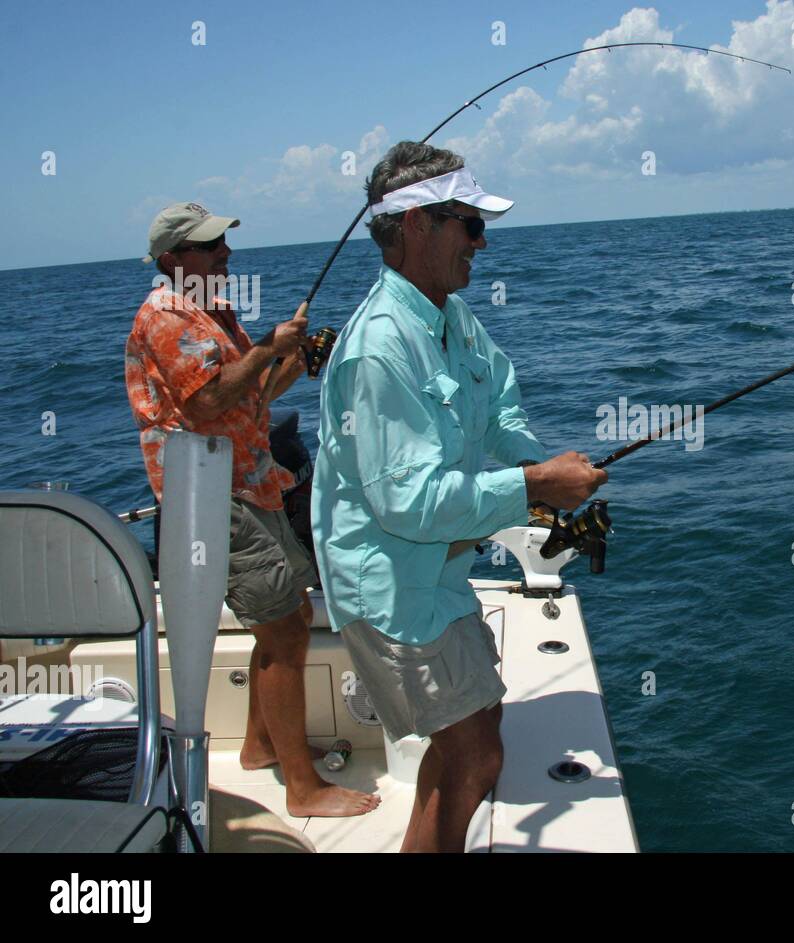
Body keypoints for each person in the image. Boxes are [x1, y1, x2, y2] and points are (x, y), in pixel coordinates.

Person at [312, 143, 606, 852]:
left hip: (436, 573)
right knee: (477, 755)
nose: (482, 241)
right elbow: (409, 503)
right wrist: (537, 487)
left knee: (466, 745)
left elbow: (498, 405)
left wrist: (540, 464)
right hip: (393, 587)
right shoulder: (383, 346)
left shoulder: (449, 315)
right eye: (469, 223)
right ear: (417, 225)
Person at [125, 201, 379, 818]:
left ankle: (260, 746)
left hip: (255, 484)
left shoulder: (213, 312)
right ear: (170, 259)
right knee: (285, 630)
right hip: (213, 495)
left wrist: (294, 358)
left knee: (287, 612)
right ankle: (303, 787)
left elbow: (252, 397)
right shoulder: (165, 318)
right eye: (209, 245)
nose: (224, 254)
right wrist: (268, 346)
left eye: (222, 243)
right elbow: (210, 401)